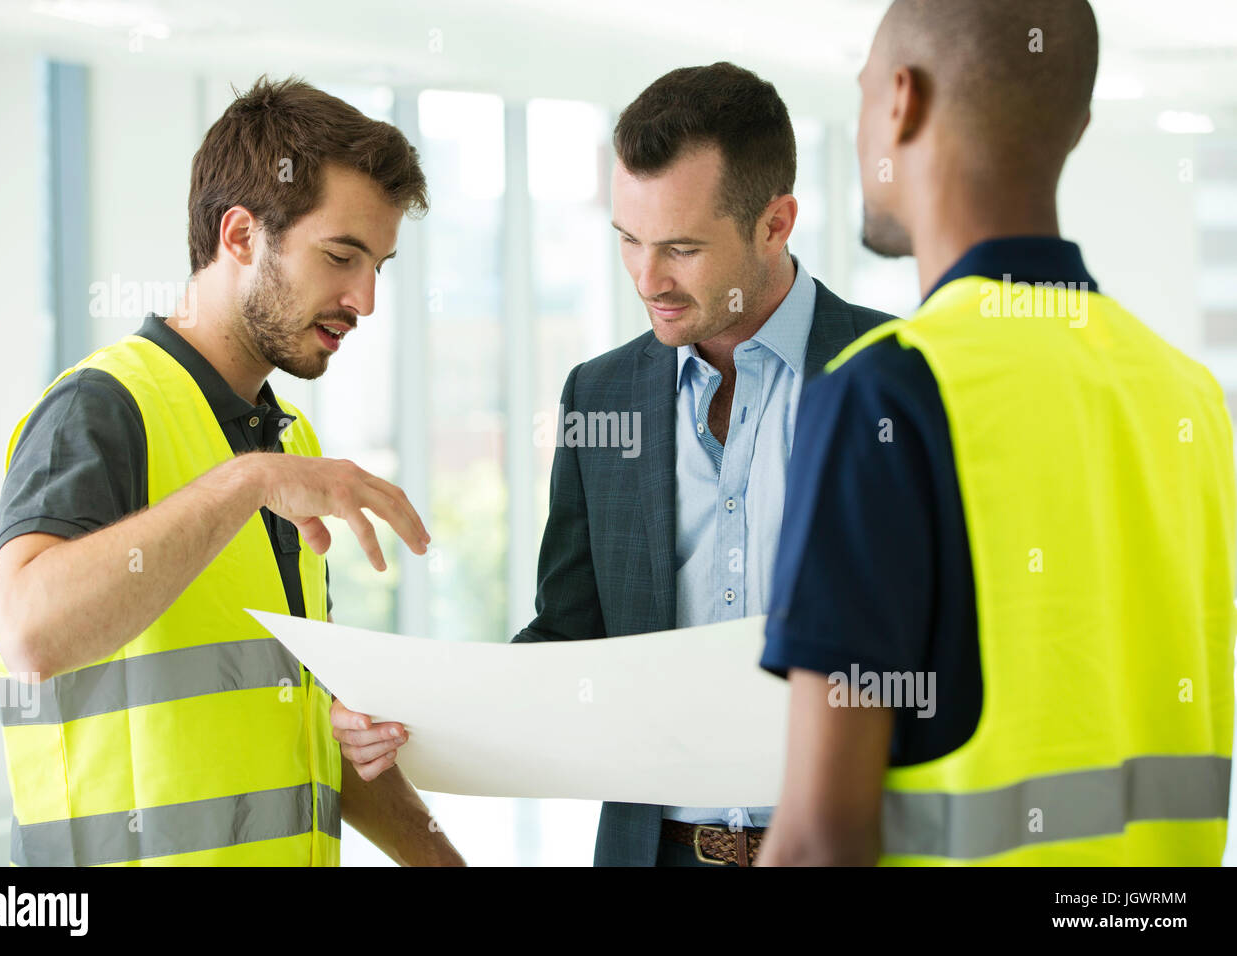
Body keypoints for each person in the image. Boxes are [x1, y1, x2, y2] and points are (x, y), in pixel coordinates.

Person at [336, 61, 895, 866]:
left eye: (682, 248)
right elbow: (570, 637)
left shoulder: (896, 374)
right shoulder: (600, 396)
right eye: (628, 240)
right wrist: (411, 716)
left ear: (777, 224)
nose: (647, 279)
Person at [758, 0, 1235, 866]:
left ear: (900, 101)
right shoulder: (1191, 398)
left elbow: (819, 843)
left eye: (864, 93)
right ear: (1076, 127)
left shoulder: (885, 395)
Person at [0, 76, 462, 866]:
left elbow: (278, 721)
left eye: (378, 264)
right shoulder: (101, 408)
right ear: (240, 235)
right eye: (342, 256)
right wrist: (247, 483)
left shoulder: (291, 438)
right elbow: (31, 634)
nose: (365, 299)